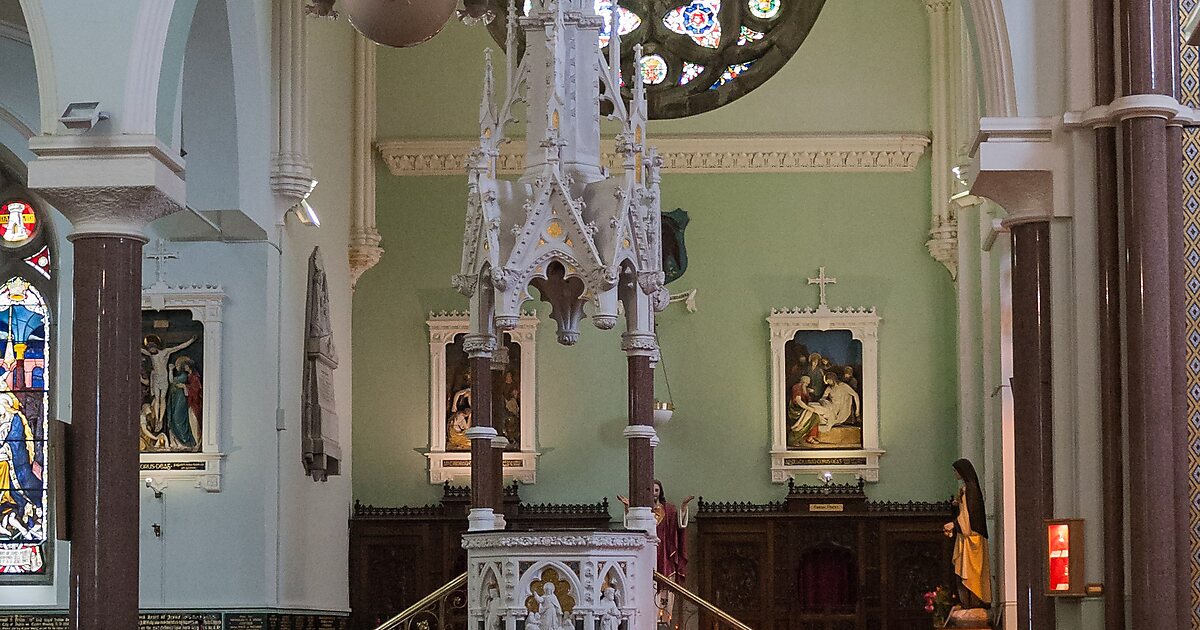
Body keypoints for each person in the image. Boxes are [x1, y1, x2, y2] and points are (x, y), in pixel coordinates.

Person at [618, 480, 693, 582]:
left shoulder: (668, 509)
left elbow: (678, 525)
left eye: (656, 490)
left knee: (665, 574)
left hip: (665, 548)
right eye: (651, 490)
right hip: (646, 547)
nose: (654, 493)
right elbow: (632, 526)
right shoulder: (642, 510)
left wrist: (684, 506)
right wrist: (628, 507)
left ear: (660, 492)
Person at [943, 458, 991, 609]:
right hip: (969, 537)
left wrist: (954, 524)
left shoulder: (968, 490)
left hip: (971, 538)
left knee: (970, 574)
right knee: (967, 572)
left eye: (955, 471)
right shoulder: (969, 489)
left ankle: (973, 603)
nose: (954, 473)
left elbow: (968, 518)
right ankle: (967, 604)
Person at [0, 393, 39, 538]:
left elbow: (16, 443)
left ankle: (20, 516)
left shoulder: (15, 419)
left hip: (13, 463)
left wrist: (5, 449)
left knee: (6, 469)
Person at [142, 334, 196, 431]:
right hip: (156, 379)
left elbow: (179, 347)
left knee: (162, 398)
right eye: (149, 349)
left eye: (152, 349)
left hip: (163, 379)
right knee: (157, 398)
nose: (151, 351)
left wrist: (191, 341)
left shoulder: (165, 352)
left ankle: (160, 419)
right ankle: (157, 419)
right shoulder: (150, 354)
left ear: (155, 346)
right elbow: (140, 350)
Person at [788, 375, 820, 445]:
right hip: (795, 410)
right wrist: (808, 408)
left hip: (802, 408)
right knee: (810, 412)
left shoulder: (804, 388)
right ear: (803, 381)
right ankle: (798, 427)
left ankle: (810, 437)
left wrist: (808, 391)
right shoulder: (797, 387)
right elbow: (798, 401)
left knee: (816, 416)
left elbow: (806, 399)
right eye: (806, 383)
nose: (807, 385)